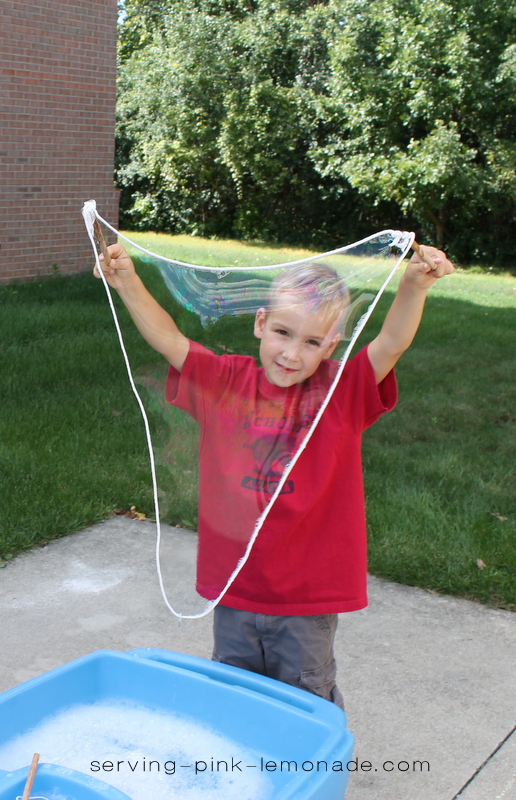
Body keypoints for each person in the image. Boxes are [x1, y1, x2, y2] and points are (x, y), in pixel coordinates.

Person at [94, 240, 454, 709]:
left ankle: (308, 774)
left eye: (312, 342)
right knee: (234, 695)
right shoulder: (225, 383)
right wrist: (127, 281)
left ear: (333, 344)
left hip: (307, 597)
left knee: (304, 699)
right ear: (261, 323)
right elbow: (169, 339)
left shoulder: (342, 392)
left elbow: (390, 343)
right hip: (235, 586)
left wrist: (413, 285)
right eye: (283, 332)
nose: (292, 353)